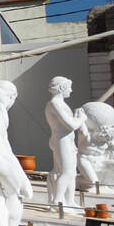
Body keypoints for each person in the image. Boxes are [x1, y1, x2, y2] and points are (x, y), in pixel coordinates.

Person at [45, 76, 88, 209]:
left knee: (71, 173)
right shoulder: (55, 104)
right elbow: (71, 125)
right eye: (69, 87)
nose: (71, 90)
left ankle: (69, 201)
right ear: (61, 88)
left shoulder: (61, 103)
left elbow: (70, 124)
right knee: (66, 171)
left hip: (67, 141)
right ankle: (57, 201)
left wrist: (77, 117)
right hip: (61, 141)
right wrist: (81, 118)